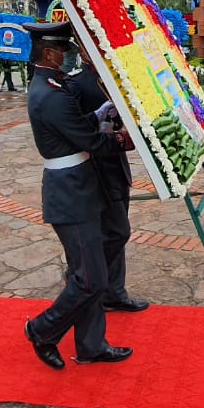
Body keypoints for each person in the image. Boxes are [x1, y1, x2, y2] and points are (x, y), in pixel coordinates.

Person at [20, 20, 136, 369]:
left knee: (92, 274)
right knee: (89, 278)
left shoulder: (52, 86)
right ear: (51, 52)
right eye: (64, 52)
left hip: (80, 186)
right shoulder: (51, 94)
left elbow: (81, 126)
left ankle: (90, 345)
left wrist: (99, 115)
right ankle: (41, 329)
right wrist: (125, 139)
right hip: (71, 193)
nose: (67, 58)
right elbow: (91, 141)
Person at [67, 53, 150, 313]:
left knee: (116, 228)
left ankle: (114, 291)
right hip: (95, 167)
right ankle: (82, 277)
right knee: (115, 231)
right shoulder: (77, 84)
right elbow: (77, 131)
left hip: (116, 164)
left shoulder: (118, 78)